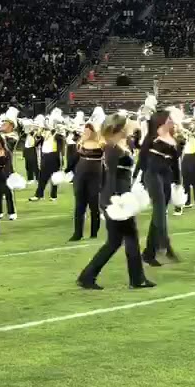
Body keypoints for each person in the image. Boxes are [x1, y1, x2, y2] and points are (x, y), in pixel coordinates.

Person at [77, 113, 154, 290]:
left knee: (115, 241)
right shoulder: (112, 148)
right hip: (117, 200)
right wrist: (114, 201)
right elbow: (110, 176)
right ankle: (136, 279)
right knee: (129, 237)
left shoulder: (120, 145)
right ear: (120, 128)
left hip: (121, 197)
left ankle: (88, 276)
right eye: (127, 124)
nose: (130, 126)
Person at [138, 110, 181, 266]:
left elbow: (175, 163)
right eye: (169, 118)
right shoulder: (151, 138)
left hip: (166, 177)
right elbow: (142, 159)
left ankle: (149, 253)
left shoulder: (174, 139)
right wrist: (139, 179)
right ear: (161, 121)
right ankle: (165, 245)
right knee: (159, 210)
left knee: (160, 213)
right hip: (152, 174)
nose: (171, 121)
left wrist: (178, 181)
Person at [70, 123, 104, 241]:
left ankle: (94, 233)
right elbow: (74, 158)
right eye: (85, 131)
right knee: (79, 205)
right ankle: (77, 233)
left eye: (89, 131)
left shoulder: (101, 142)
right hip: (80, 175)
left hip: (95, 176)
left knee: (94, 205)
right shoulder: (81, 142)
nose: (86, 133)